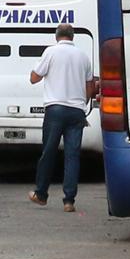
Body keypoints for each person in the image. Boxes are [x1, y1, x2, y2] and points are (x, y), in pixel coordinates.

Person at [27, 23, 96, 213]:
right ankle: (69, 201)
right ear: (72, 36)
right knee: (72, 156)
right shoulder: (83, 56)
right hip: (76, 111)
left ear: (56, 36)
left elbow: (34, 78)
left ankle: (41, 194)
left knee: (48, 152)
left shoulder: (50, 52)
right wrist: (83, 103)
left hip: (55, 110)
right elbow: (90, 85)